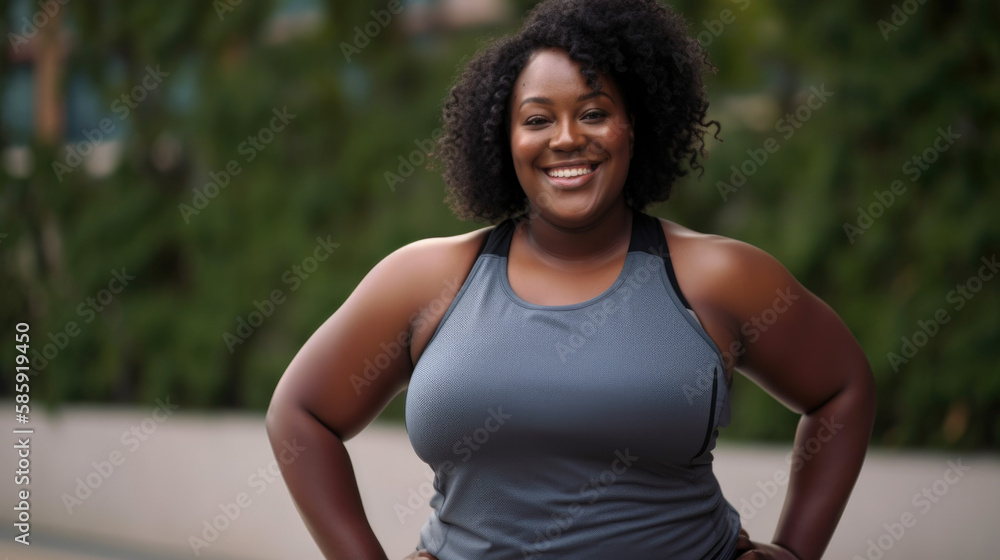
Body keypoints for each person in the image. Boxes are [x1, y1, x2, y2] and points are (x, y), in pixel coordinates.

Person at [265, 0, 877, 558]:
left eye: (593, 112)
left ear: (634, 126)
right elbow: (300, 414)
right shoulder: (426, 280)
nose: (566, 138)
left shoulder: (718, 277)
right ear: (504, 140)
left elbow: (842, 388)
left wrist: (797, 551)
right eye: (537, 119)